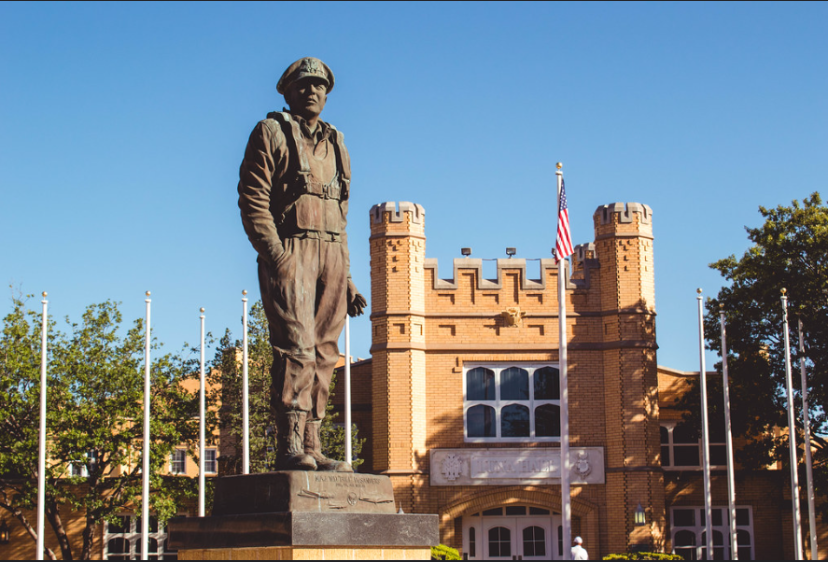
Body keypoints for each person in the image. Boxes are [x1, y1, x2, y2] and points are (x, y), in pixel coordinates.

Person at [238, 57, 367, 473]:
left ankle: (313, 445)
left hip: (332, 255)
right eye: (303, 85)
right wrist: (277, 256)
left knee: (325, 353)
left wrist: (347, 278)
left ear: (327, 94)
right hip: (293, 248)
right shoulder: (271, 131)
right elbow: (253, 199)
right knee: (296, 347)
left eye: (319, 86)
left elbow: (341, 214)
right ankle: (290, 446)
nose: (312, 91)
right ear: (288, 91)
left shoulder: (337, 142)